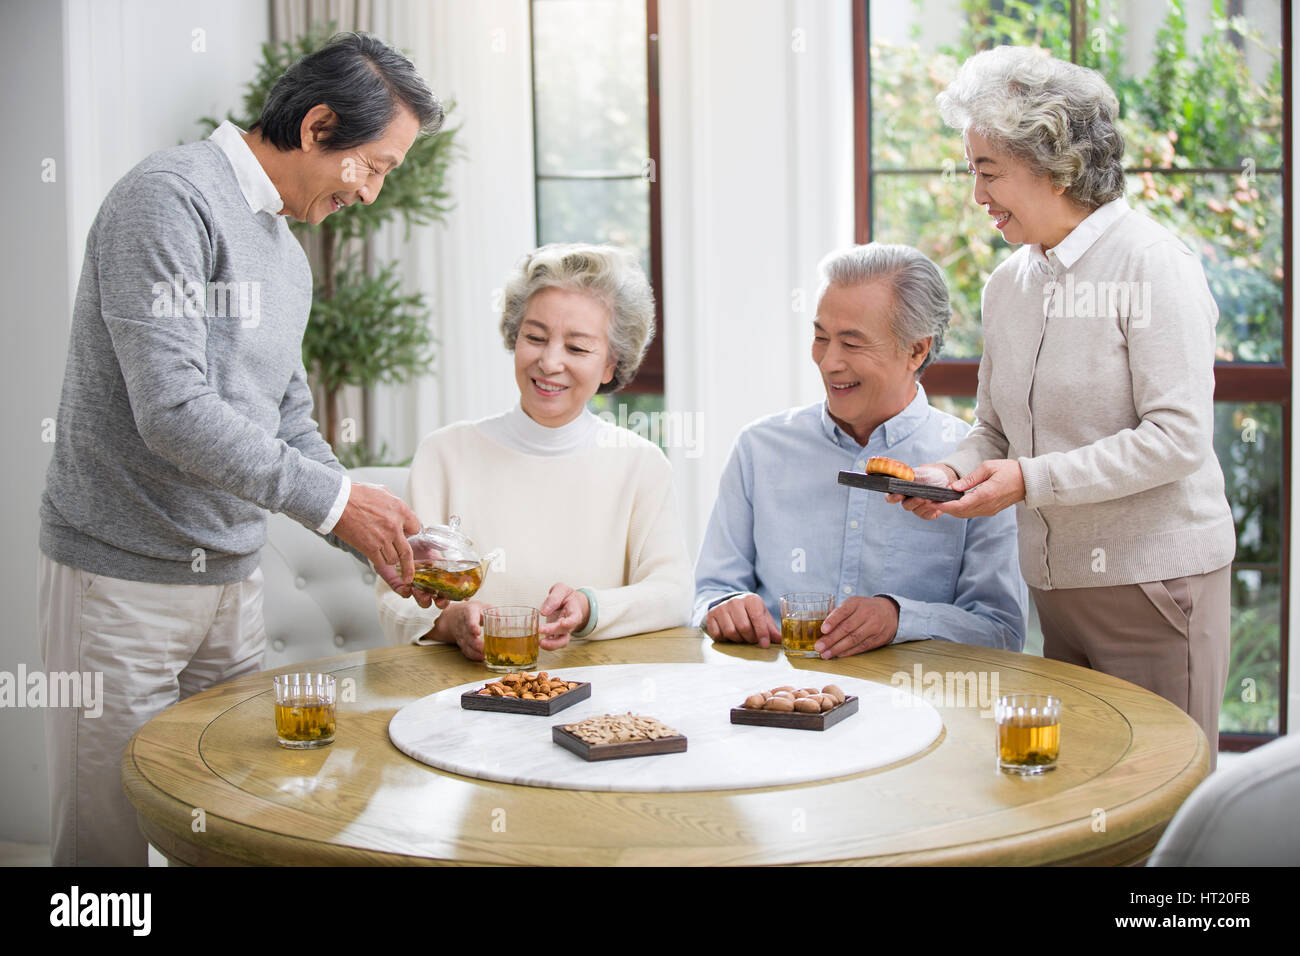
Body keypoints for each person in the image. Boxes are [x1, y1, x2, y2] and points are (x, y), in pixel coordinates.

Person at [38, 33, 447, 866]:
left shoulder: (285, 252)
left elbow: (286, 415)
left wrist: (365, 527)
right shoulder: (169, 198)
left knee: (224, 825)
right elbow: (174, 410)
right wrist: (337, 503)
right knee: (105, 841)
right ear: (318, 125)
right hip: (122, 578)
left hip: (231, 579)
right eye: (372, 166)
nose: (369, 194)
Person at [892, 46, 1235, 765]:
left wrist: (1029, 482)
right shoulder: (1008, 284)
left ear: (1053, 164)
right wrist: (949, 474)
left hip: (1154, 587)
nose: (977, 195)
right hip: (1056, 586)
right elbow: (993, 429)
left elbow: (1177, 439)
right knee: (1081, 795)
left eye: (988, 171)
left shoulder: (1152, 265)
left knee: (1159, 800)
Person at [694, 243, 1026, 656]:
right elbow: (712, 590)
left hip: (916, 707)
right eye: (820, 337)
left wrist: (900, 619)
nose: (829, 362)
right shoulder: (758, 449)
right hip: (774, 703)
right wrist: (721, 607)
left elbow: (1000, 631)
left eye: (851, 344)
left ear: (916, 350)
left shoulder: (974, 466)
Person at [376, 243, 693, 654]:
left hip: (598, 701)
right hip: (467, 695)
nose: (549, 362)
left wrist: (590, 608)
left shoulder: (641, 464)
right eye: (535, 338)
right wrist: (451, 621)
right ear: (515, 336)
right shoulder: (444, 453)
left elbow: (674, 594)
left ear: (611, 365)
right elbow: (394, 600)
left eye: (577, 348)